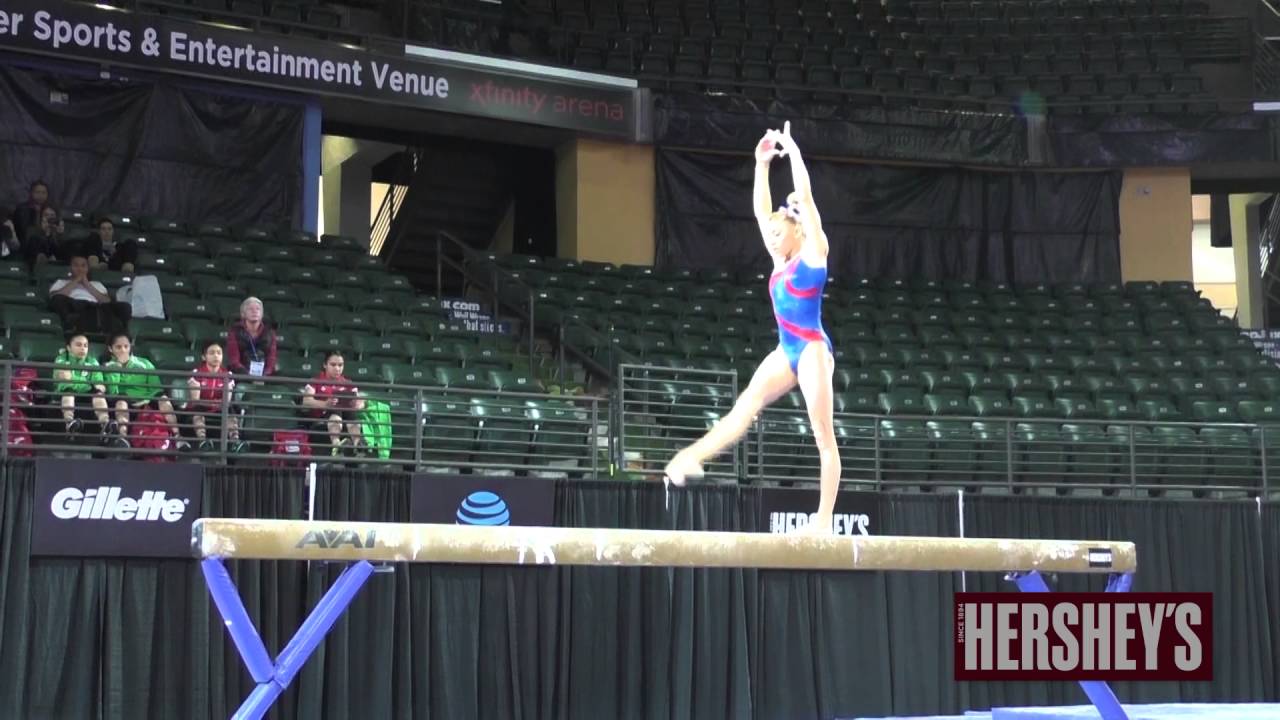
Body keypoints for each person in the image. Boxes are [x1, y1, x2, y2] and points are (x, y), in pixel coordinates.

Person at [663, 121, 841, 532]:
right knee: (745, 404)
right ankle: (689, 457)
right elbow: (762, 211)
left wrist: (793, 154)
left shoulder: (814, 255)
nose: (772, 238)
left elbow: (808, 200)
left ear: (798, 232)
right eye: (772, 235)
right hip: (787, 348)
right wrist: (761, 165)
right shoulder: (779, 261)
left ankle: (824, 520)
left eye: (780, 233)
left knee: (821, 434)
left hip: (813, 348)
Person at [101, 333, 187, 451]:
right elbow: (112, 391)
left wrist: (145, 401)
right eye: (118, 347)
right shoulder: (107, 366)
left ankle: (178, 436)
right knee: (121, 402)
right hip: (125, 401)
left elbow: (156, 387)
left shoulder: (144, 363)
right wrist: (117, 369)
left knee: (164, 399)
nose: (123, 350)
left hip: (147, 400)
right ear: (110, 349)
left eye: (126, 346)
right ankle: (122, 437)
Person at [52, 332, 120, 446]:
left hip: (87, 394)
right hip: (64, 392)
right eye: (78, 345)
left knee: (98, 394)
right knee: (68, 392)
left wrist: (76, 380)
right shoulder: (61, 359)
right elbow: (65, 381)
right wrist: (88, 384)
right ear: (69, 347)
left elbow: (99, 384)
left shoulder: (92, 361)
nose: (83, 348)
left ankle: (105, 425)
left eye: (85, 345)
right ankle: (69, 423)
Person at [301, 350, 367, 458]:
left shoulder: (348, 383)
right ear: (325, 365)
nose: (337, 368)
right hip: (324, 415)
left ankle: (358, 444)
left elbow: (361, 402)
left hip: (346, 415)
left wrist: (358, 405)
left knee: (350, 413)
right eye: (333, 365)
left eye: (340, 365)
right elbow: (306, 401)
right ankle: (336, 444)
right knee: (336, 407)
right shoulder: (315, 380)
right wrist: (325, 404)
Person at [47, 255, 132, 336]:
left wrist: (87, 284)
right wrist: (76, 281)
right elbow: (55, 297)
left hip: (96, 307)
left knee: (125, 307)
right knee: (59, 299)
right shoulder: (61, 282)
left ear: (88, 269)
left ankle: (122, 335)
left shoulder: (97, 284)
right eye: (76, 265)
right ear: (70, 268)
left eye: (83, 266)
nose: (80, 268)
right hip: (73, 306)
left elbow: (107, 301)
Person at [185, 340, 245, 452]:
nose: (216, 356)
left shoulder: (227, 375)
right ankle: (202, 440)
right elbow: (196, 400)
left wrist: (218, 403)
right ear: (204, 357)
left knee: (230, 410)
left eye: (219, 353)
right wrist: (213, 403)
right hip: (200, 408)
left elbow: (226, 400)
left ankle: (235, 441)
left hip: (218, 409)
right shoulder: (197, 373)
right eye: (211, 353)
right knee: (198, 409)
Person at [225, 296, 277, 377]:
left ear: (262, 314)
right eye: (250, 309)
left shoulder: (270, 333)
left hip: (265, 376)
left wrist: (264, 376)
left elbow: (271, 360)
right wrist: (249, 376)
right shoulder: (234, 331)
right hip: (240, 374)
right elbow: (234, 361)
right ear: (243, 314)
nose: (254, 311)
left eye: (258, 309)